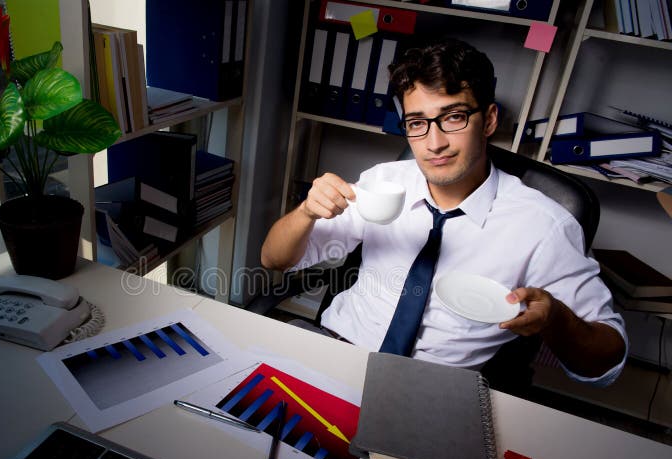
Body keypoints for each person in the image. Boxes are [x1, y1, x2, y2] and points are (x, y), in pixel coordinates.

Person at [261, 38, 626, 386]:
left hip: (434, 387)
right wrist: (306, 212)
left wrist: (556, 320)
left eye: (453, 118)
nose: (434, 144)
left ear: (490, 120)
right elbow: (273, 259)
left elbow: (607, 361)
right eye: (417, 123)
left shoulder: (543, 225)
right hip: (336, 348)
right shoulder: (383, 182)